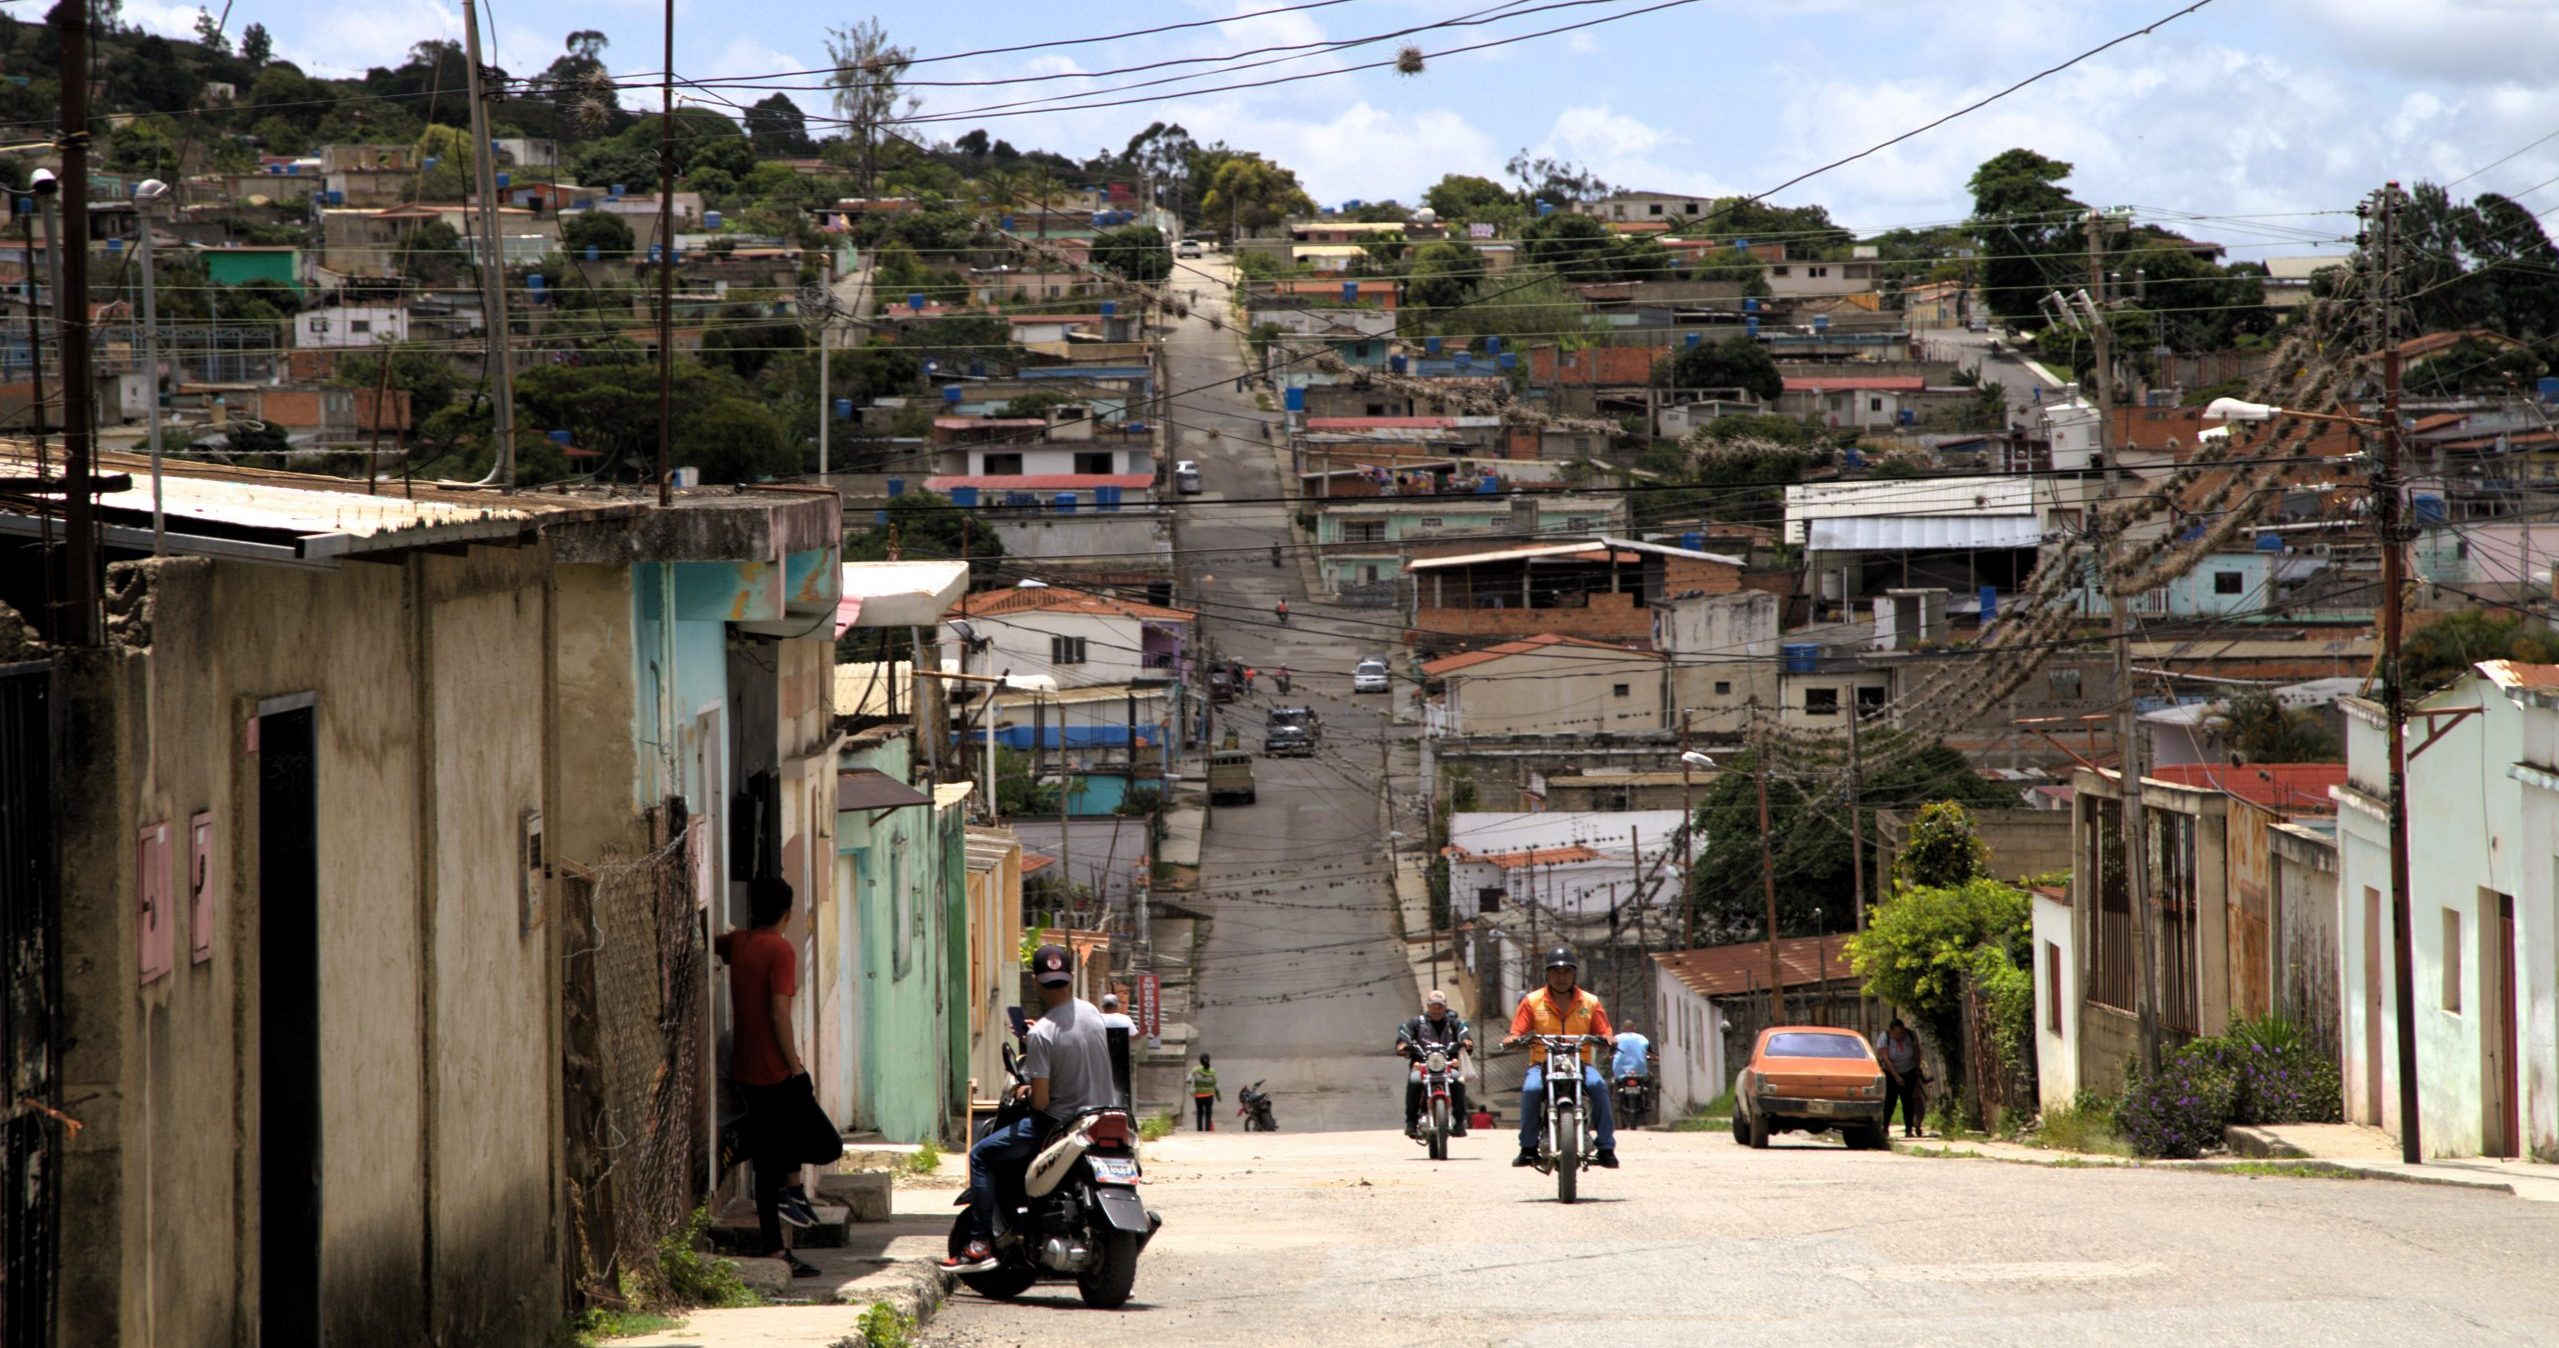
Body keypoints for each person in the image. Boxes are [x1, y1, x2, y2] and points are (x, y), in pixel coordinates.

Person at [943, 943, 1115, 1273]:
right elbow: (1074, 1048)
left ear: (1036, 982)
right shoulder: (1093, 1014)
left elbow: (1040, 1100)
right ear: (1072, 977)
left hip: (1057, 1123)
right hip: (1100, 1116)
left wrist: (1023, 1087)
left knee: (980, 1154)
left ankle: (978, 1245)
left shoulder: (1043, 1035)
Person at [713, 876, 823, 1278]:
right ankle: (787, 1206)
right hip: (771, 1068)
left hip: (742, 1065)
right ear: (787, 913)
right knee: (787, 1148)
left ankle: (782, 1222)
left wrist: (734, 933)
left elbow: (715, 941)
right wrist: (793, 1064)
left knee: (767, 1158)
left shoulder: (739, 944)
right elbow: (780, 1012)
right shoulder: (781, 950)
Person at [1501, 947, 1619, 1169]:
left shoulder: (1590, 1002)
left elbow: (1604, 1030)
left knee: (1598, 1085)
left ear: (1574, 974)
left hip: (1580, 1062)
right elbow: (1517, 1031)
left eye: (1566, 972)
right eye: (1556, 972)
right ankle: (1527, 1147)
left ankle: (1606, 1146)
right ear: (1547, 974)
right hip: (1542, 1063)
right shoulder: (1532, 1001)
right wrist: (1513, 1039)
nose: (1561, 977)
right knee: (1531, 1090)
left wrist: (1608, 1039)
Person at [1394, 990, 1473, 1138]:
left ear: (1445, 1007)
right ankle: (1411, 1122)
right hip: (1422, 1065)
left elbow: (1464, 1033)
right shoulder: (1416, 1023)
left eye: (1440, 1006)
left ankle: (1460, 1122)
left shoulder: (1453, 1023)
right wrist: (1403, 1046)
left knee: (1458, 1080)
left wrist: (1466, 1042)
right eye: (1433, 1006)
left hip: (1448, 1064)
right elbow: (1404, 1036)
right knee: (1414, 1080)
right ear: (1428, 1006)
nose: (1437, 1009)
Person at [1876, 1019, 1925, 1137]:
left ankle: (1909, 1130)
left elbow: (1917, 1052)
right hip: (1891, 1072)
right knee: (1890, 1101)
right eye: (1896, 1033)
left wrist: (1917, 1068)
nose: (1899, 1036)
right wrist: (1897, 1076)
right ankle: (1885, 1128)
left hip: (1909, 1070)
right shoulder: (1884, 1038)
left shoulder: (1911, 1035)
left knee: (1908, 1101)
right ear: (1891, 1031)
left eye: (1901, 1033)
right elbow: (1886, 1059)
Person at [1612, 1023, 1654, 1126]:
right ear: (1634, 1028)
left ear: (1623, 1029)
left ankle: (1615, 1102)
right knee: (1651, 1078)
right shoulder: (1642, 1038)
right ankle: (1649, 1102)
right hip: (1639, 1070)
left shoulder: (1616, 1038)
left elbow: (1611, 1052)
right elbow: (1651, 1052)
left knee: (1614, 1083)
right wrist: (1654, 1057)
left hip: (1621, 1070)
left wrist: (1609, 1056)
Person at [1189, 1054, 1221, 1131]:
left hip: (1199, 1096)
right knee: (1208, 1113)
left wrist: (1194, 1083)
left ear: (1200, 1061)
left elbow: (1188, 1080)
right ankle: (1207, 1130)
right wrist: (1218, 1096)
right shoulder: (1212, 1072)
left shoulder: (1195, 1070)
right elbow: (1215, 1085)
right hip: (1209, 1096)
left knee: (1199, 1113)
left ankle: (1199, 1129)